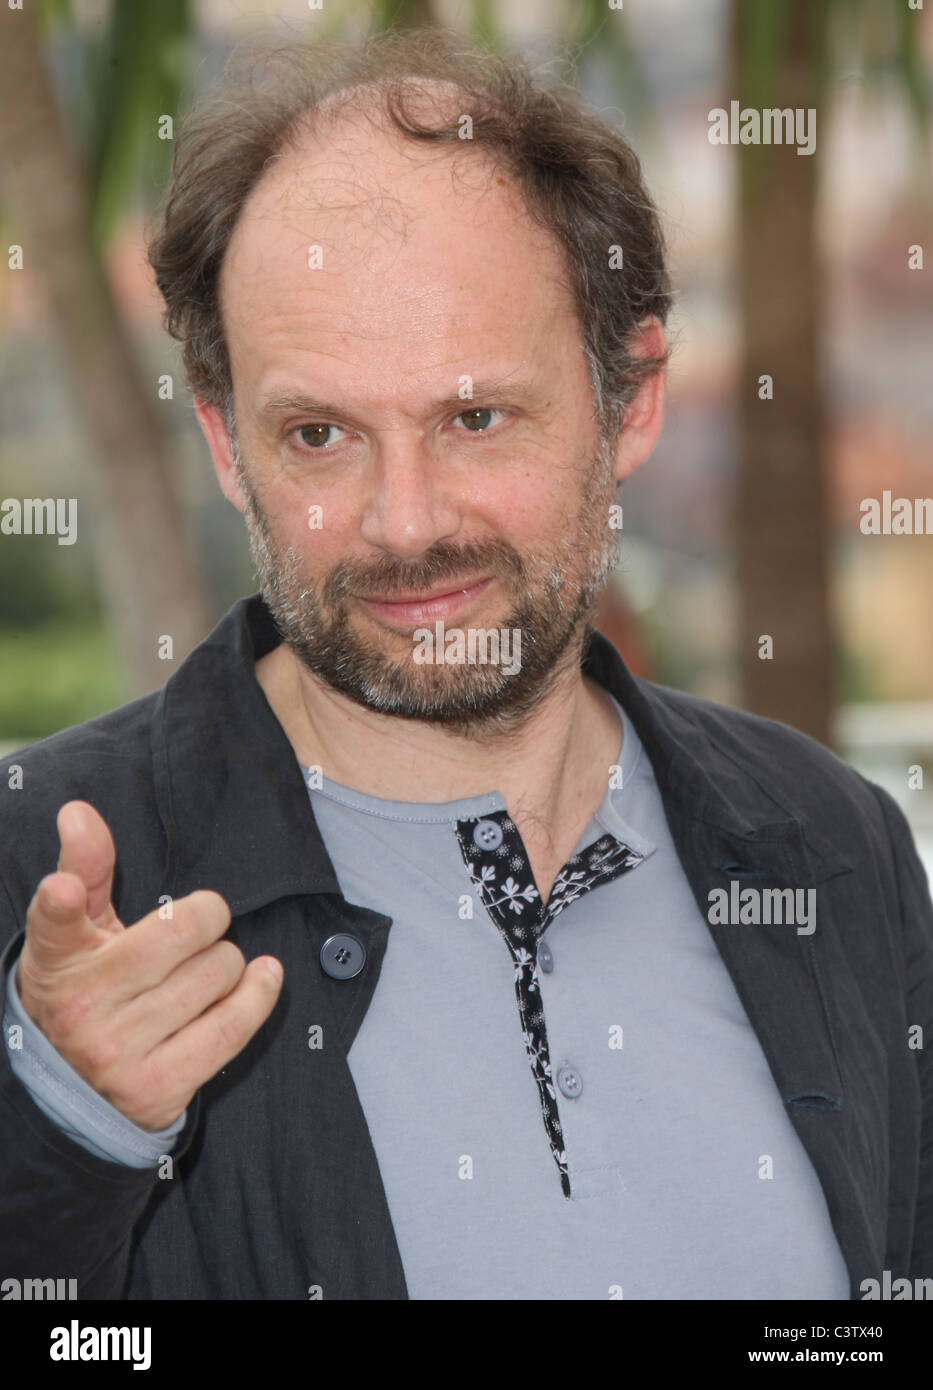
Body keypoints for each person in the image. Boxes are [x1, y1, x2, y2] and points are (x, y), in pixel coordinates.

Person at [1, 29, 930, 1302]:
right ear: (226, 445)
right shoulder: (42, 881)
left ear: (633, 399)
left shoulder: (834, 845)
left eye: (475, 418)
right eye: (318, 434)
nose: (404, 521)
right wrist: (61, 1134)